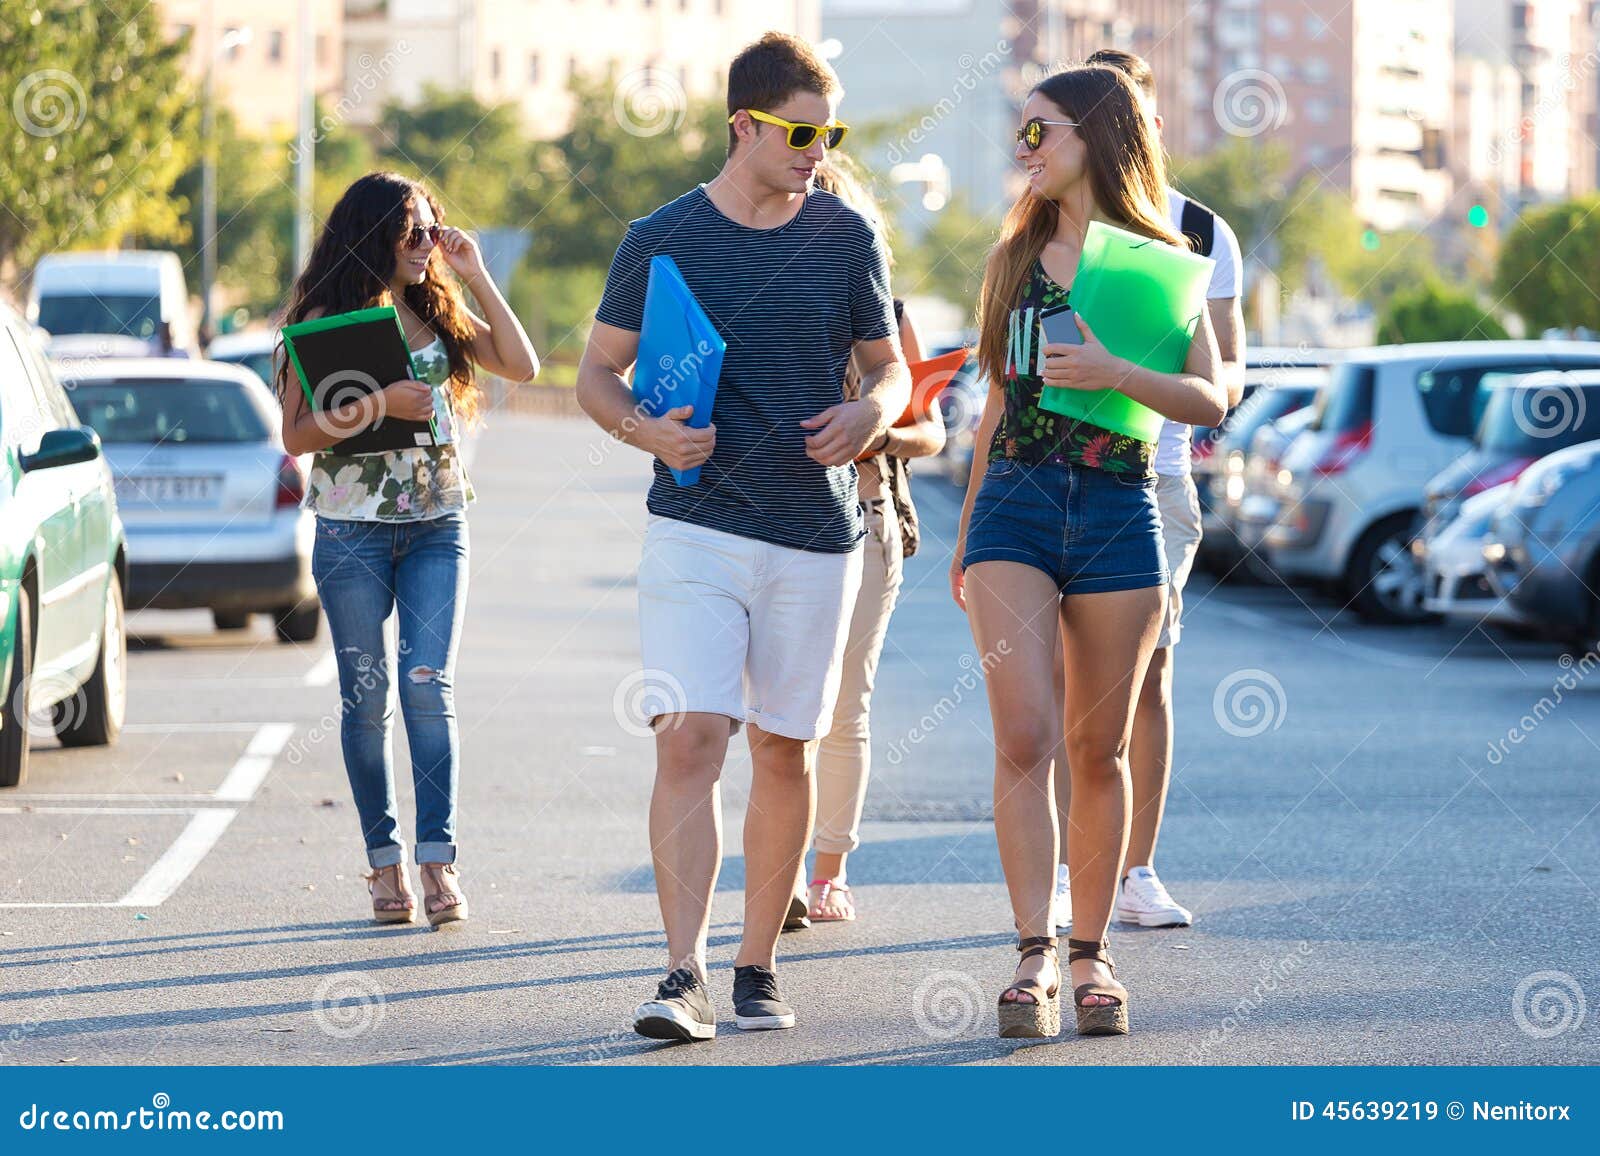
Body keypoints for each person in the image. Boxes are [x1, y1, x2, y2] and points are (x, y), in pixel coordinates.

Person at [576, 32, 909, 1042]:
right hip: (695, 527)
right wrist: (647, 429)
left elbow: (890, 368)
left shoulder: (846, 236)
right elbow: (596, 375)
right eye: (800, 130)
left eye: (829, 132)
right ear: (744, 126)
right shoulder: (660, 236)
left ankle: (757, 962)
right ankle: (681, 972)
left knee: (782, 747)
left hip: (815, 534)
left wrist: (871, 417)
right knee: (691, 736)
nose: (818, 148)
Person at [951, 65, 1224, 1038]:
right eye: (1018, 134)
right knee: (1023, 735)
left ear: (1095, 138)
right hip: (1014, 509)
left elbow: (1211, 396)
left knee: (1095, 748)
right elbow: (990, 403)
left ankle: (1091, 952)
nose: (1023, 151)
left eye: (1039, 133)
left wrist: (1117, 371)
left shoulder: (1157, 257)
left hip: (1118, 505)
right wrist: (966, 528)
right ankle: (1033, 952)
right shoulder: (1010, 258)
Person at [276, 172, 538, 929]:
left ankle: (438, 861)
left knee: (428, 685)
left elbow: (521, 365)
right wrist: (378, 406)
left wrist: (477, 272)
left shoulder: (437, 311)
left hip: (437, 526)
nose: (427, 244)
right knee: (365, 702)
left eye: (432, 228)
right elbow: (297, 435)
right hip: (351, 531)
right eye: (412, 232)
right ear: (373, 235)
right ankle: (384, 867)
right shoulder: (326, 319)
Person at [1045, 49, 1248, 933]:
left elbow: (1228, 368)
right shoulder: (1049, 218)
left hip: (1158, 477)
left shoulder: (1200, 229)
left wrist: (1187, 393)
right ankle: (1064, 872)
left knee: (1148, 676)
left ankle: (1137, 873)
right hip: (1056, 469)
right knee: (1064, 680)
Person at [795, 154, 946, 926]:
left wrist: (873, 434)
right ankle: (783, 869)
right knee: (778, 708)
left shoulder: (887, 309)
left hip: (868, 519)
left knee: (846, 701)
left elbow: (932, 433)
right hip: (777, 516)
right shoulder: (759, 293)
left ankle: (829, 869)